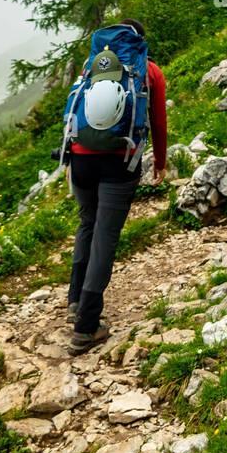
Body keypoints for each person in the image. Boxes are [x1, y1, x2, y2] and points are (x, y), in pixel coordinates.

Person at [64, 18, 167, 353]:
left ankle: (75, 301)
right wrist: (161, 163)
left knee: (87, 223)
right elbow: (158, 121)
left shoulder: (92, 66)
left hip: (80, 156)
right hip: (120, 160)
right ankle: (86, 327)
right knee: (105, 237)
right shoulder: (148, 71)